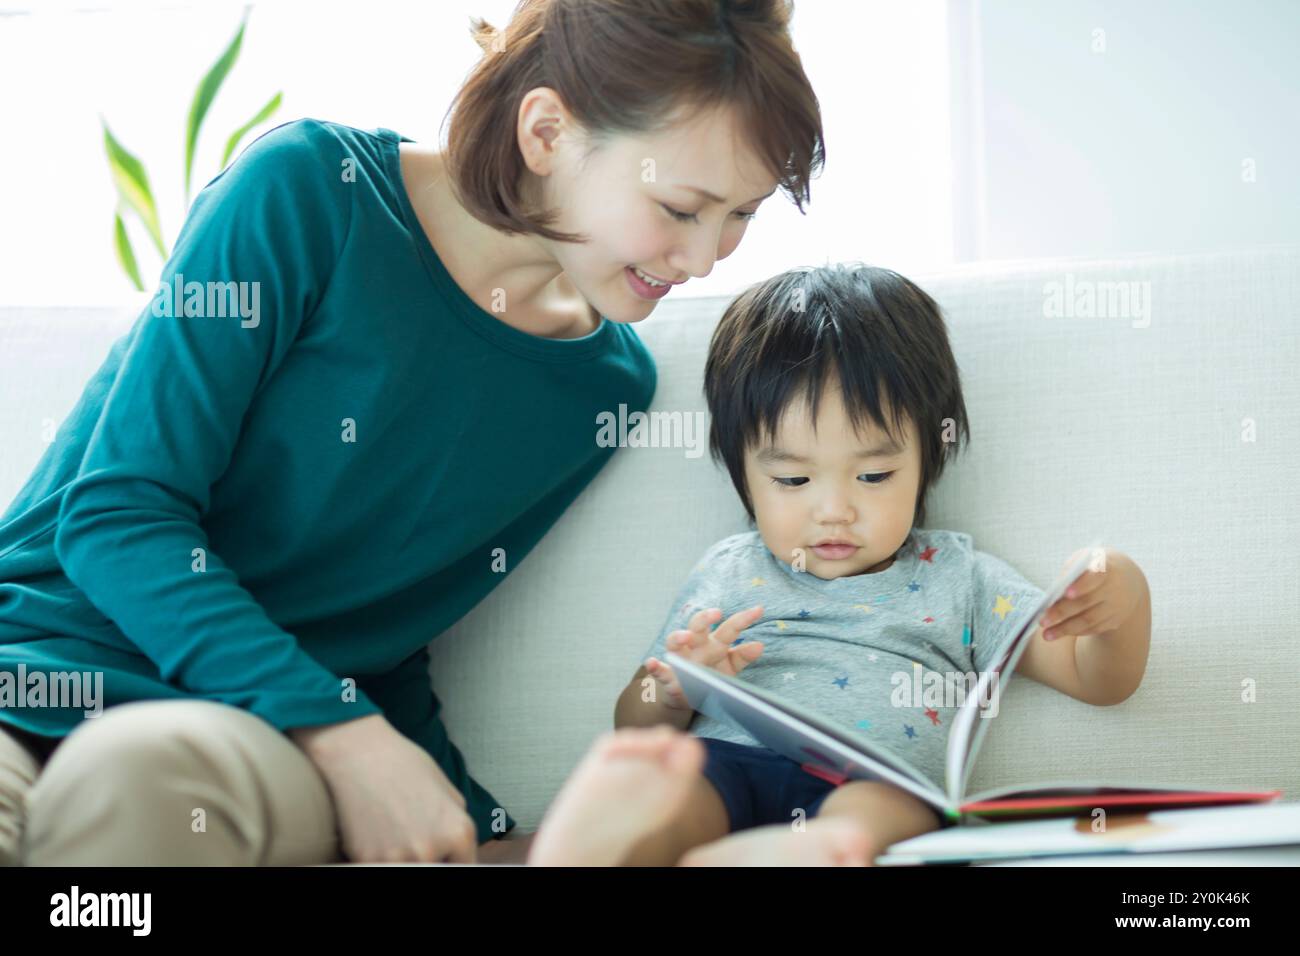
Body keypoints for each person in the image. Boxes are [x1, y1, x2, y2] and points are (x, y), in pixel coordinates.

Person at [0, 0, 825, 866]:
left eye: (743, 214)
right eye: (680, 206)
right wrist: (344, 734)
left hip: (224, 751)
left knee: (142, 782)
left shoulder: (599, 390)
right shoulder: (309, 194)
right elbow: (117, 515)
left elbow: (378, 631)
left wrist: (478, 834)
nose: (705, 260)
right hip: (29, 672)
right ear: (546, 133)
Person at [517, 263, 1151, 866]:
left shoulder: (959, 577)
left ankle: (809, 851)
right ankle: (619, 846)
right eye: (792, 479)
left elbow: (1096, 680)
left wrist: (1119, 600)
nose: (834, 511)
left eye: (873, 474)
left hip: (875, 779)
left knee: (880, 813)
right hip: (725, 762)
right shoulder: (730, 569)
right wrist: (677, 687)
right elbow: (635, 716)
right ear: (743, 474)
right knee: (675, 795)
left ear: (930, 457)